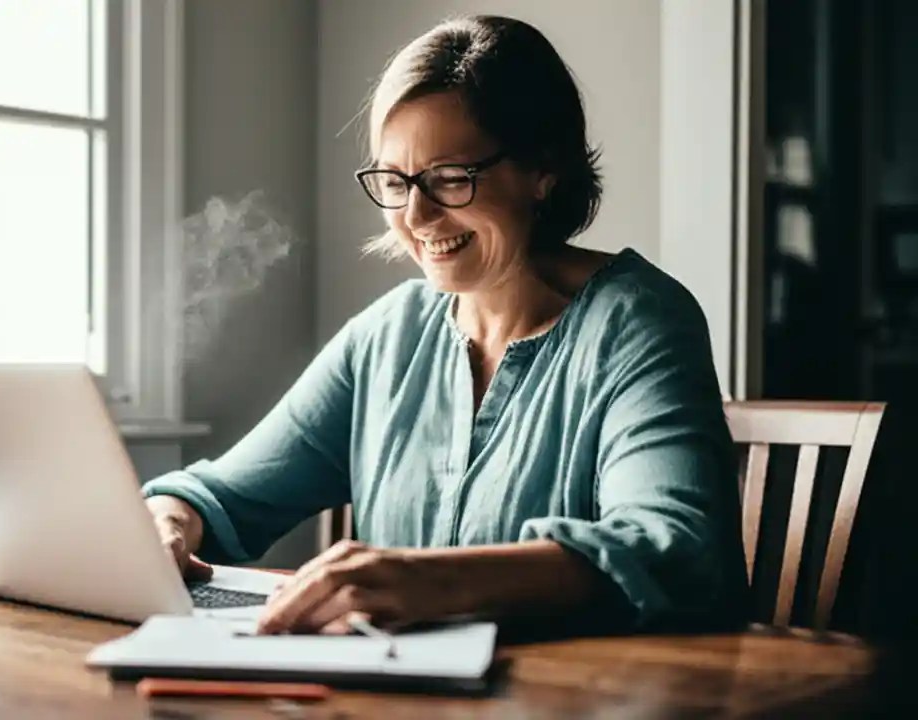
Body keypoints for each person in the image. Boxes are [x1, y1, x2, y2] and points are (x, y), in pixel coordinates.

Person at [143, 15, 747, 635]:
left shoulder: (638, 324)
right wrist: (169, 519)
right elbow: (218, 496)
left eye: (451, 178)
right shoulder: (386, 337)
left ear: (544, 168)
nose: (416, 214)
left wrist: (436, 580)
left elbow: (676, 551)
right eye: (396, 181)